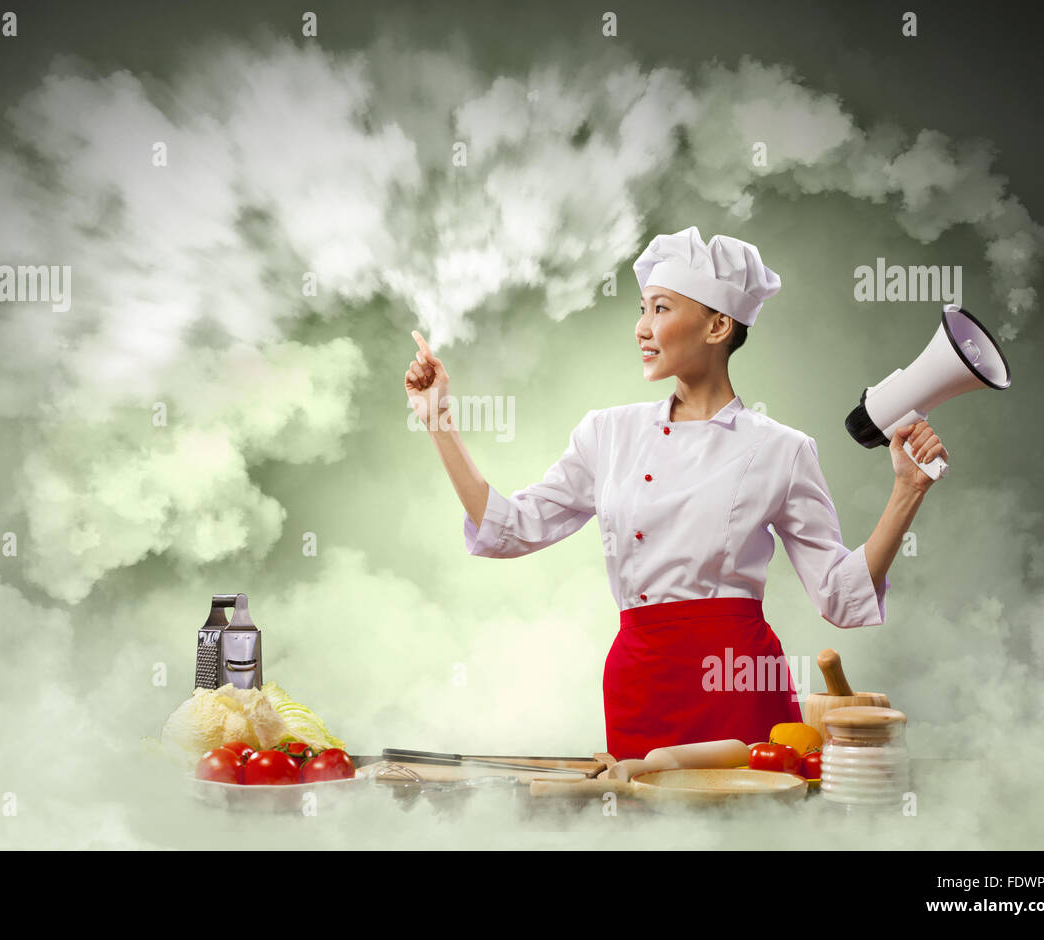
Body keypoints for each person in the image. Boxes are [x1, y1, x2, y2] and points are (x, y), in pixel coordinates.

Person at [405, 226, 946, 760]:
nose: (642, 328)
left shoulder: (783, 450)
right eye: (641, 309)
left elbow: (839, 596)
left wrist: (907, 489)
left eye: (660, 309)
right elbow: (509, 528)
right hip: (640, 686)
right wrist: (439, 421)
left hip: (739, 686)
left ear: (717, 325)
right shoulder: (607, 433)